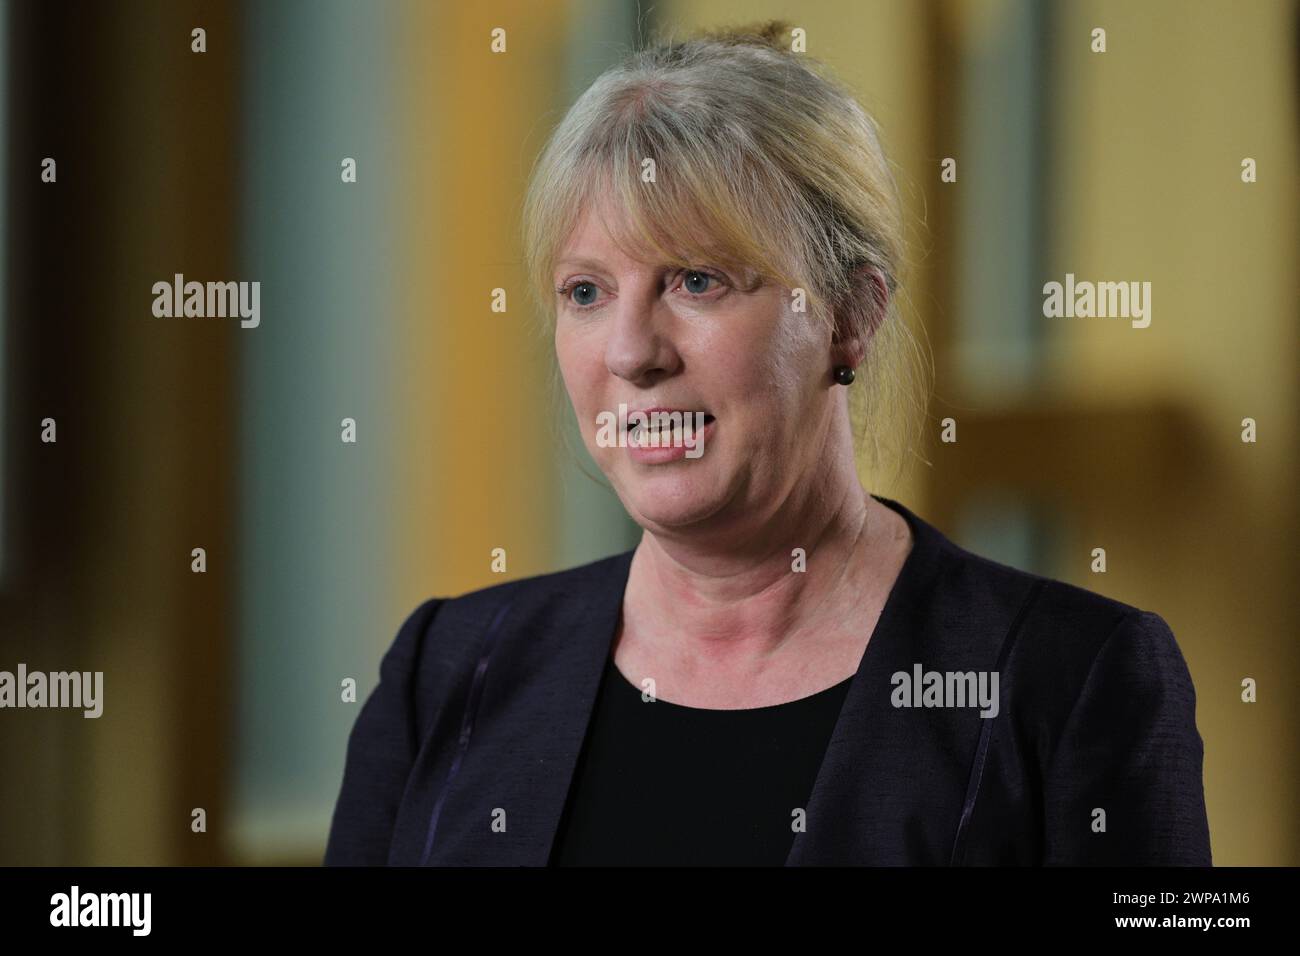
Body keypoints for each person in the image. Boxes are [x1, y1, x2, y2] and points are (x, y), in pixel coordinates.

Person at [324, 21, 1210, 866]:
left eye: (697, 280)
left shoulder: (1072, 681)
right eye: (586, 292)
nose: (632, 353)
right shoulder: (447, 672)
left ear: (851, 318)